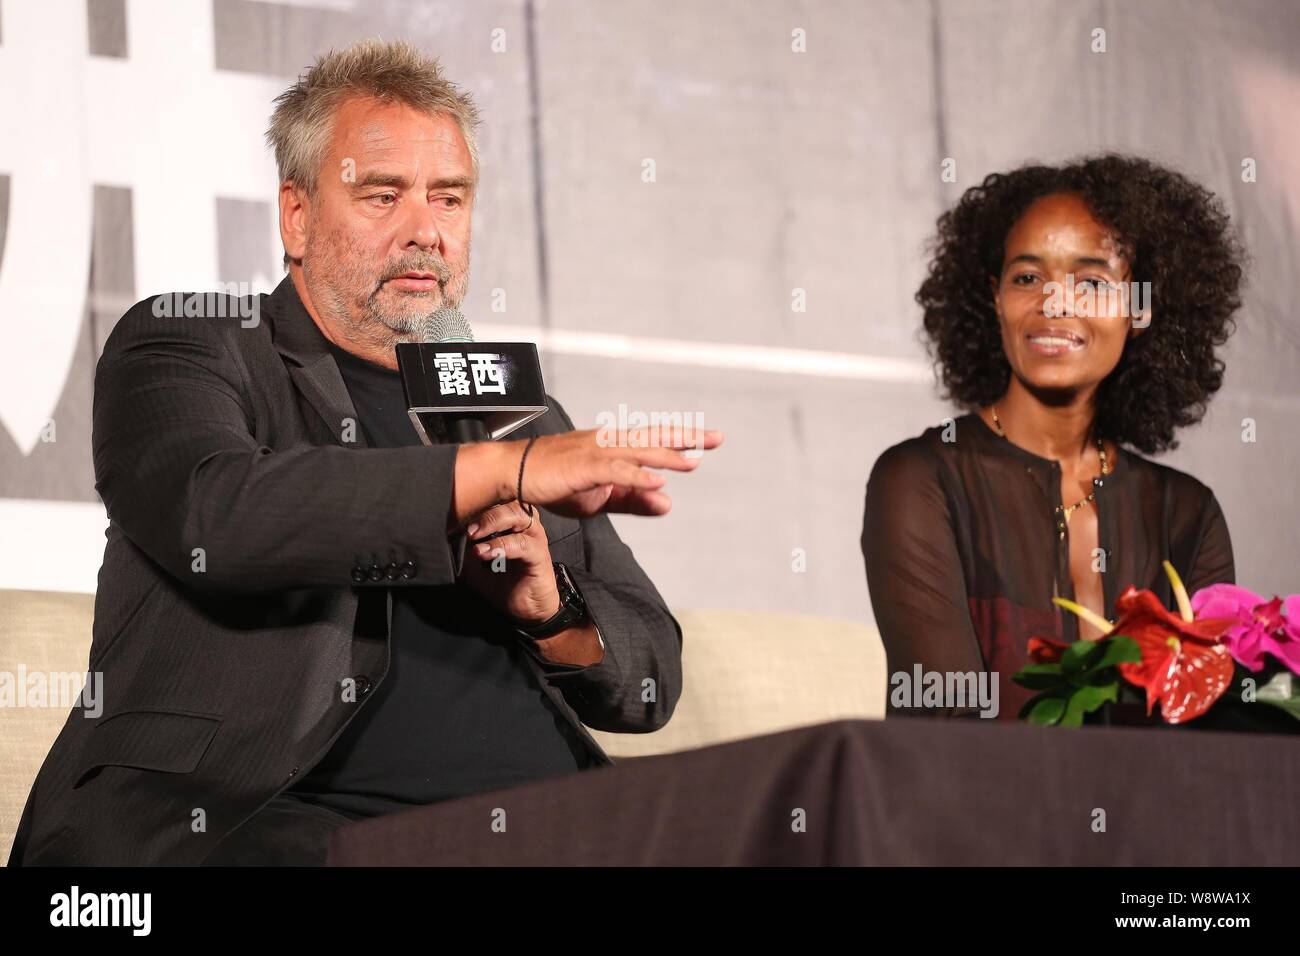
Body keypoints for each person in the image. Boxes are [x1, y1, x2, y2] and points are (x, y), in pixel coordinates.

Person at [10, 39, 721, 867]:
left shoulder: (500, 404)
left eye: (449, 200)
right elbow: (221, 516)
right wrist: (492, 473)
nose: (427, 232)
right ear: (297, 216)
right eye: (384, 196)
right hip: (266, 827)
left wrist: (547, 607)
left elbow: (649, 682)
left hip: (548, 827)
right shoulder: (190, 342)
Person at [861, 154, 1244, 723]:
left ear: (1139, 309)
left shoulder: (1187, 514)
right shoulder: (920, 480)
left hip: (1157, 810)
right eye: (1027, 277)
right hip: (969, 807)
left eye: (1090, 281)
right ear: (996, 299)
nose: (1055, 302)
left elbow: (1213, 727)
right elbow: (947, 723)